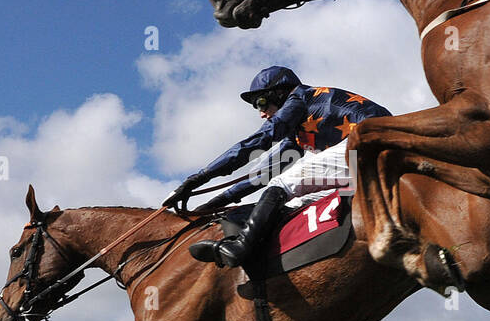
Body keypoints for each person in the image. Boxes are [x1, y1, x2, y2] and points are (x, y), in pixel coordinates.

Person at [162, 66, 390, 268]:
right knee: (292, 204)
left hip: (370, 143)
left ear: (280, 93)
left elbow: (256, 143)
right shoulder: (298, 131)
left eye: (261, 102)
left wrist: (196, 180)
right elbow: (263, 174)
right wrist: (214, 203)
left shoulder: (299, 99)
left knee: (281, 184)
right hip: (362, 161)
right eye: (256, 107)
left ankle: (241, 247)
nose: (261, 113)